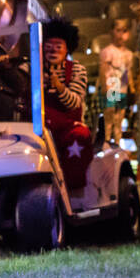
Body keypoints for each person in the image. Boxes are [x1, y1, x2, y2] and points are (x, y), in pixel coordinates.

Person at [40, 18, 94, 191]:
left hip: (66, 127)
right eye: (49, 46)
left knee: (80, 136)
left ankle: (73, 189)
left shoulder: (77, 70)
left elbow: (74, 102)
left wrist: (59, 86)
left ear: (67, 48)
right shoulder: (33, 68)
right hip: (38, 126)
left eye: (58, 46)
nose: (53, 50)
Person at [99, 18, 136, 146]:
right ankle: (107, 140)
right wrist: (105, 87)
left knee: (120, 116)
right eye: (118, 30)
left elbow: (129, 71)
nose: (121, 34)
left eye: (124, 31)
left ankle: (118, 141)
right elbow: (103, 71)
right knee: (109, 114)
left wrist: (132, 88)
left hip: (123, 87)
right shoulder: (107, 51)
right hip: (112, 86)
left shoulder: (129, 54)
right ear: (112, 32)